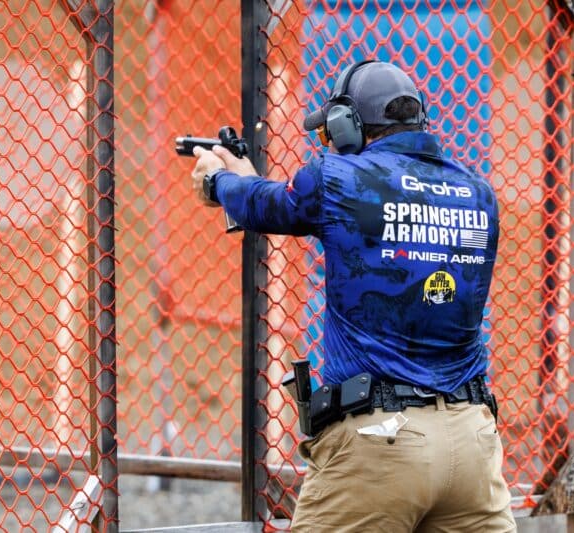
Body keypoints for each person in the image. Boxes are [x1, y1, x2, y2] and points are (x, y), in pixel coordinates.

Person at [191, 60, 516, 532]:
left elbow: (269, 205)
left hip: (379, 443)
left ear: (348, 124)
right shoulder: (478, 193)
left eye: (330, 131)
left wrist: (217, 181)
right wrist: (248, 179)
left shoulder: (336, 177)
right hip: (473, 443)